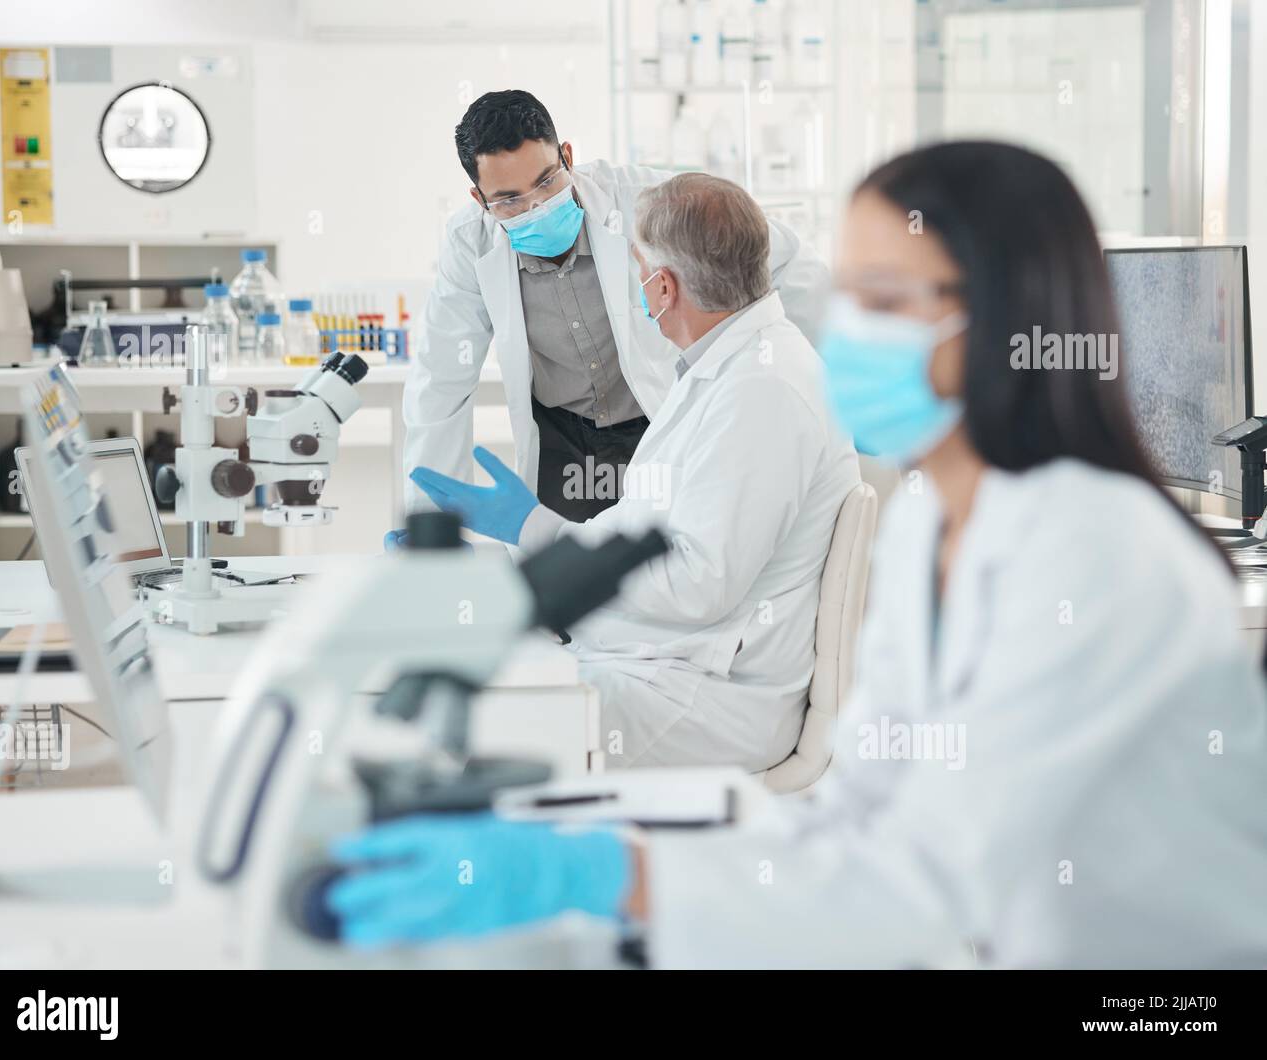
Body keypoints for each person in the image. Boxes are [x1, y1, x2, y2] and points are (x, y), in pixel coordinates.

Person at [327, 142, 1267, 967]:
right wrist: (646, 875)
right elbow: (858, 815)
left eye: (885, 299)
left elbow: (922, 880)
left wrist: (616, 877)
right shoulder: (934, 529)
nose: (846, 324)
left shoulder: (1096, 558)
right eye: (848, 291)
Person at [409, 173, 860, 770]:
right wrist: (538, 565)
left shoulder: (763, 390)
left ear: (664, 286)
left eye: (639, 270)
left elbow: (698, 582)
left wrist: (537, 534)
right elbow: (640, 527)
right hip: (663, 662)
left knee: (465, 729)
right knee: (466, 681)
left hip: (707, 698)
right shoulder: (720, 368)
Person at [400, 90, 831, 526]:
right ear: (480, 200)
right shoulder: (469, 243)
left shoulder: (643, 199)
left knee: (663, 558)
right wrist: (427, 528)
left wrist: (835, 383)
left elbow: (786, 261)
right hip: (560, 437)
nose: (536, 208)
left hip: (653, 419)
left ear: (567, 156)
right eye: (510, 200)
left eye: (547, 181)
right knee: (562, 573)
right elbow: (441, 384)